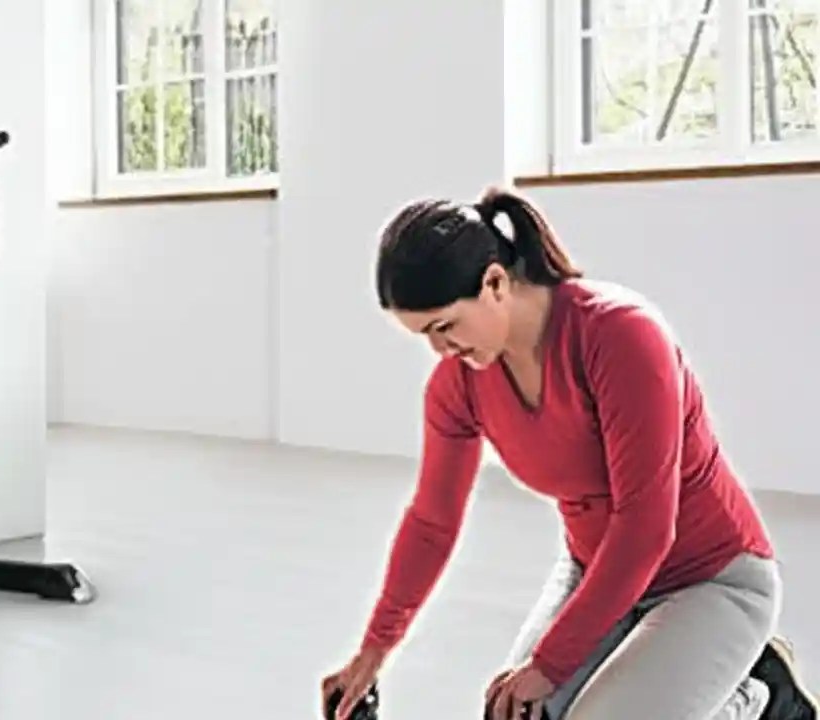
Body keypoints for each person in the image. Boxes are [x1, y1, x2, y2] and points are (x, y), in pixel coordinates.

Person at [321, 187, 818, 720]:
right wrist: (373, 653)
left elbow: (646, 526)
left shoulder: (621, 335)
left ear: (494, 282)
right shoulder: (460, 384)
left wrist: (550, 665)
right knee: (515, 715)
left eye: (445, 326)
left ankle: (749, 696)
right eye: (424, 336)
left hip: (710, 579)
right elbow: (432, 522)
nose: (441, 350)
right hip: (597, 573)